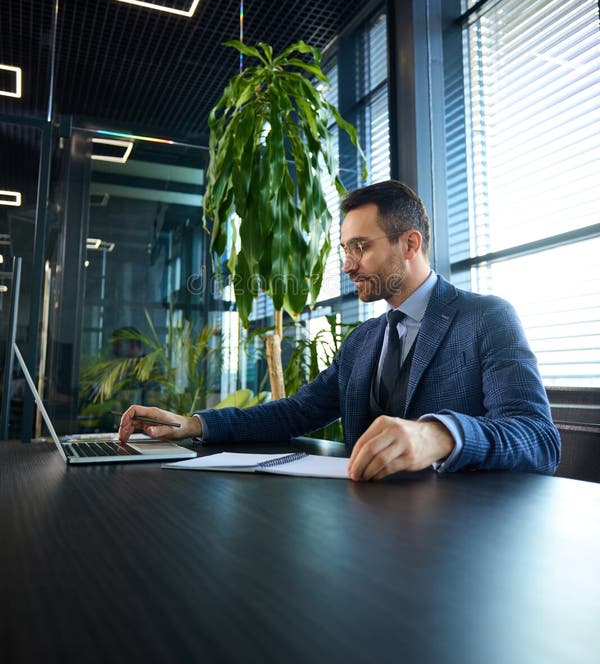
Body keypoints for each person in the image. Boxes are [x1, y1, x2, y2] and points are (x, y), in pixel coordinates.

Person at [119, 180, 560, 480]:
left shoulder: (486, 318)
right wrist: (195, 424)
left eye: (361, 248)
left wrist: (441, 434)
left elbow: (539, 439)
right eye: (345, 249)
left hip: (459, 542)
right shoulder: (363, 341)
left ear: (410, 244)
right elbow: (295, 412)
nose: (347, 265)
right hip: (363, 535)